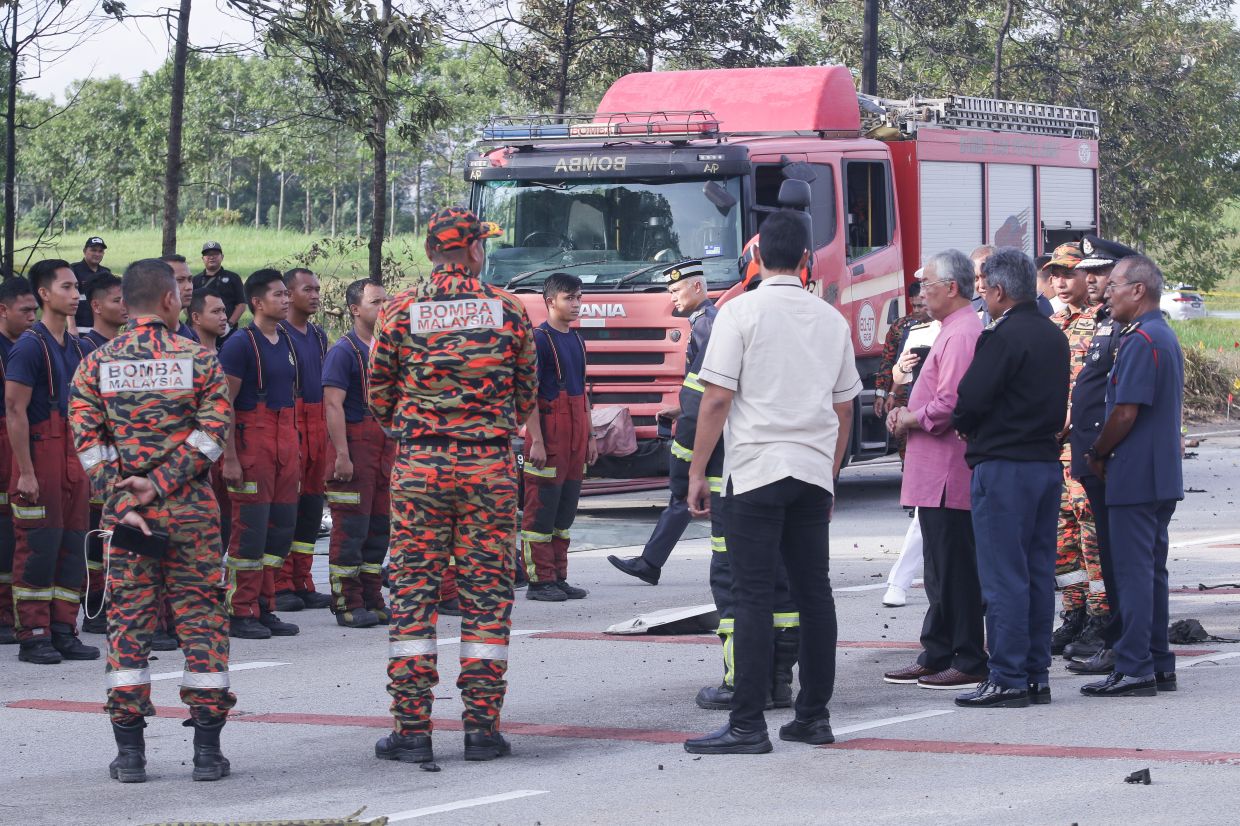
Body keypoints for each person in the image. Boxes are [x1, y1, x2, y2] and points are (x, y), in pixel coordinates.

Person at [683, 211, 860, 755]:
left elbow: (715, 398)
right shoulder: (831, 320)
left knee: (752, 597)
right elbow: (846, 409)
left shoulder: (739, 312)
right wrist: (828, 475)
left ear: (757, 259)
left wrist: (696, 469)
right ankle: (813, 717)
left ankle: (747, 725)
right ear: (808, 259)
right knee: (815, 594)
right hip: (810, 474)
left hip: (755, 472)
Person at [370, 206, 536, 764]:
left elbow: (379, 395)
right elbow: (526, 395)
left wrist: (418, 427)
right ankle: (482, 730)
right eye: (480, 245)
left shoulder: (400, 311)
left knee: (413, 595)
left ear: (430, 253)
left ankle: (412, 730)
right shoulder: (508, 311)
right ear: (470, 251)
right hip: (489, 469)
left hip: (419, 468)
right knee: (487, 598)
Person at [69, 258, 236, 783]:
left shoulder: (95, 365)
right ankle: (207, 754)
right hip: (192, 517)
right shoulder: (200, 361)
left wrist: (124, 499)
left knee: (128, 631)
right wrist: (163, 483)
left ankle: (131, 755)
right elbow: (211, 437)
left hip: (128, 521)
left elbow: (88, 446)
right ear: (170, 300)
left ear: (127, 300)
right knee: (202, 624)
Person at [951, 247, 1068, 708]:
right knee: (1038, 573)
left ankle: (1007, 675)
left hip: (1003, 466)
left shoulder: (1001, 336)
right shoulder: (1052, 335)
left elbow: (970, 399)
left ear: (999, 291)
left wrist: (967, 420)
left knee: (1003, 577)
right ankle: (1034, 672)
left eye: (984, 288)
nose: (983, 295)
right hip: (1042, 463)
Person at [882, 250, 986, 691]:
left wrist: (910, 416)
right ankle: (939, 650)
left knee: (956, 568)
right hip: (932, 473)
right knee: (938, 568)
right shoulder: (947, 330)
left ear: (953, 288)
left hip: (948, 473)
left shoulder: (963, 333)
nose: (921, 293)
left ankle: (967, 656)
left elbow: (950, 405)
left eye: (928, 285)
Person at [1081, 255, 1184, 698]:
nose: (1107, 292)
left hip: (1135, 474)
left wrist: (1097, 450)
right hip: (1156, 475)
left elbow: (1126, 412)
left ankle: (1135, 666)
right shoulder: (1158, 333)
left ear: (1139, 290)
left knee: (1133, 574)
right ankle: (1157, 661)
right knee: (1151, 571)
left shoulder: (1142, 338)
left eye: (1116, 285)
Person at [5, 260, 95, 664]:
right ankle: (34, 633)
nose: (76, 294)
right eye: (67, 287)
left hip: (74, 456)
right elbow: (14, 409)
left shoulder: (77, 347)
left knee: (73, 545)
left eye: (77, 288)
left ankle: (63, 629)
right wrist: (25, 470)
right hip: (41, 455)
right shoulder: (29, 345)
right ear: (44, 294)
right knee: (39, 546)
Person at [608, 261, 718, 586]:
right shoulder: (704, 321)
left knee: (687, 494)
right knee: (685, 497)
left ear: (696, 287)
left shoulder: (706, 324)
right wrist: (678, 409)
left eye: (676, 290)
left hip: (699, 427)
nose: (673, 299)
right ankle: (650, 562)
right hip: (695, 421)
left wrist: (686, 415)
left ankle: (650, 562)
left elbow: (706, 387)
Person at [1064, 235, 1138, 676]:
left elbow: (1123, 402)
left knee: (1117, 558)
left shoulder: (1133, 326)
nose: (1089, 279)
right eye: (1086, 272)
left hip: (1109, 461)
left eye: (1099, 272)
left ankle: (1122, 645)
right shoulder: (1102, 320)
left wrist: (1100, 452)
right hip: (1089, 457)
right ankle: (1114, 640)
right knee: (1106, 557)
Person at [217, 269, 301, 640]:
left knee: (279, 530)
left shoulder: (284, 339)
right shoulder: (240, 344)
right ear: (257, 303)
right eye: (279, 295)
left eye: (287, 294)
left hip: (285, 444)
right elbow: (224, 405)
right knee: (249, 533)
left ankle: (266, 605)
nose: (286, 300)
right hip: (253, 445)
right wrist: (230, 458)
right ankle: (240, 609)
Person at [1043, 243, 1109, 660]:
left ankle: (1103, 616)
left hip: (1081, 444)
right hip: (1051, 447)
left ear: (1089, 277)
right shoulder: (1050, 324)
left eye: (1069, 274)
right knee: (1060, 532)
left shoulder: (1102, 323)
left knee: (1092, 530)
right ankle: (1075, 612)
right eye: (1055, 274)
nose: (1062, 282)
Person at [520, 272, 596, 602]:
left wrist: (591, 437)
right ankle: (539, 581)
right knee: (542, 509)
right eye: (569, 298)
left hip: (575, 437)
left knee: (564, 512)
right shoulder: (539, 340)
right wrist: (535, 439)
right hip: (549, 437)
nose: (577, 304)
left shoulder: (577, 340)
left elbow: (584, 393)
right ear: (550, 302)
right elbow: (527, 396)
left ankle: (559, 575)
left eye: (579, 297)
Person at [322, 278, 392, 629]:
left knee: (378, 527)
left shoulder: (383, 347)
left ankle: (371, 595)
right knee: (350, 529)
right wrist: (342, 455)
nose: (384, 307)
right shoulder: (343, 351)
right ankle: (347, 601)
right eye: (376, 302)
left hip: (383, 449)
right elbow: (332, 405)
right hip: (355, 446)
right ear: (355, 309)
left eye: (385, 300)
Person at [274, 268, 333, 611]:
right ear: (289, 294)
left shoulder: (318, 334)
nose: (314, 295)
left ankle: (303, 580)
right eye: (307, 289)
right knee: (286, 510)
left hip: (317, 424)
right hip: (291, 424)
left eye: (317, 289)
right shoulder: (277, 334)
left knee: (311, 510)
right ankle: (279, 584)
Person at [76, 273, 128, 636]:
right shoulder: (86, 349)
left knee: (120, 533)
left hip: (127, 456)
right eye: (115, 300)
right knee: (97, 533)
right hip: (97, 459)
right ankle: (95, 603)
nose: (123, 306)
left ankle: (119, 599)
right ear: (95, 306)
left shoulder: (128, 348)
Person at [0, 277, 36, 645]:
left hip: (20, 446)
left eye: (34, 310)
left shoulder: (32, 347)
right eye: (24, 310)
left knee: (15, 537)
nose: (32, 316)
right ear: (3, 310)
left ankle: (11, 613)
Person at [874, 280, 927, 420]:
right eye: (914, 305)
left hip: (928, 395)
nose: (916, 310)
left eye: (920, 306)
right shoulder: (899, 327)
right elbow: (887, 361)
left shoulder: (940, 325)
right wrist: (882, 394)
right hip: (901, 396)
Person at [193, 242, 246, 331]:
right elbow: (188, 306)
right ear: (203, 258)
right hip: (201, 329)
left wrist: (230, 324)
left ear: (222, 257)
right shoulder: (195, 280)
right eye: (208, 255)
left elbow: (241, 305)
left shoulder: (233, 278)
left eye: (215, 254)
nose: (211, 257)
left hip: (226, 329)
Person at [71, 236, 111, 330]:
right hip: (79, 328)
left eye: (100, 251)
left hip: (101, 328)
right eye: (93, 250)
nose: (97, 254)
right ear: (85, 251)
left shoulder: (106, 273)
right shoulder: (73, 270)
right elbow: (69, 299)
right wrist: (71, 327)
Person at [162, 254, 200, 342]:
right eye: (179, 280)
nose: (189, 287)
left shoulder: (191, 334)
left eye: (190, 280)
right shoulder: (145, 336)